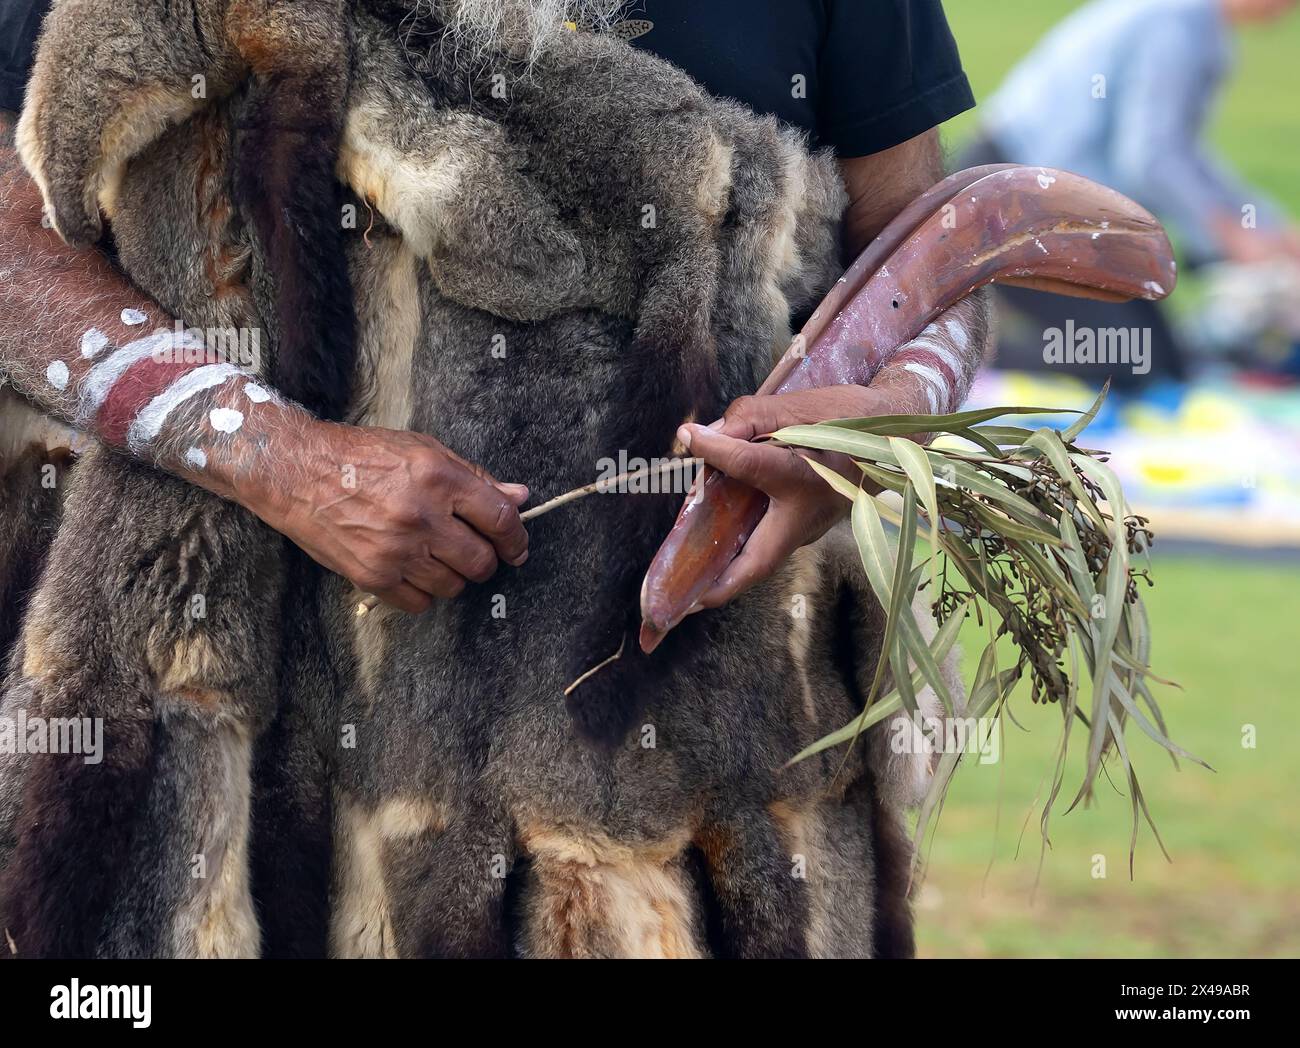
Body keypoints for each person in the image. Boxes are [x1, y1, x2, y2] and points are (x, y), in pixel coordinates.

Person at [0, 0, 987, 616]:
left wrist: (876, 424)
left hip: (705, 732)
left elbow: (922, 257)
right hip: (262, 715)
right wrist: (281, 461)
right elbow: (12, 251)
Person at [963, 0, 1300, 387]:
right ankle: (977, 358)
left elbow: (1182, 154)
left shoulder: (1198, 25)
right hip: (1019, 202)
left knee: (1166, 361)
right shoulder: (1177, 24)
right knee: (1129, 360)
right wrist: (1231, 236)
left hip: (1069, 208)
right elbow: (1151, 161)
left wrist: (1266, 225)